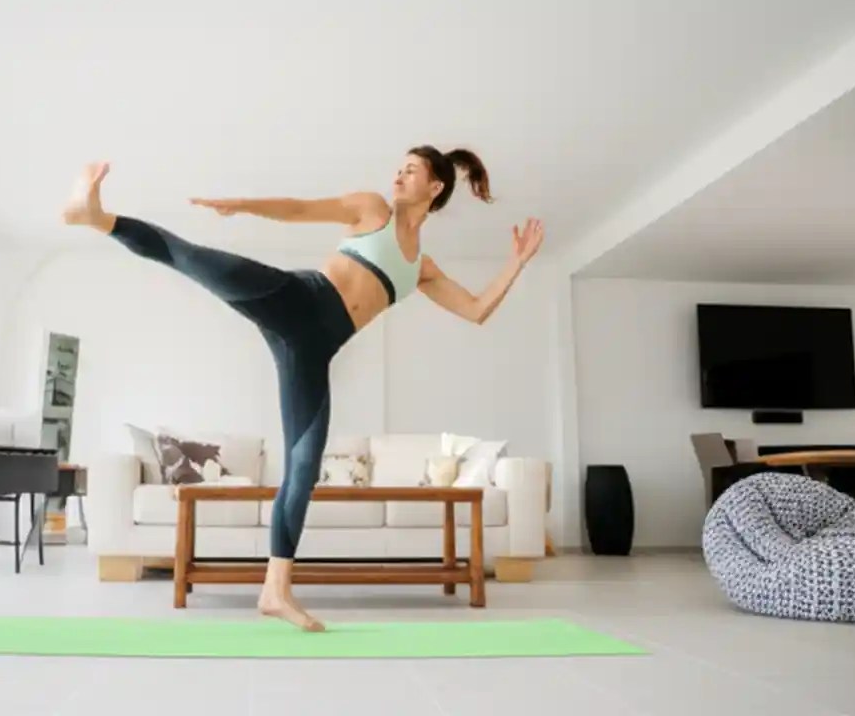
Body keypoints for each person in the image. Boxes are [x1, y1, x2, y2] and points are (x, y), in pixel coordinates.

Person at [62, 146, 544, 631]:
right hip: (294, 300)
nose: (398, 174)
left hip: (312, 353)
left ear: (435, 187)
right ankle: (98, 216)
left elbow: (477, 310)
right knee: (190, 257)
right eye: (398, 167)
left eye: (411, 170)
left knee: (304, 470)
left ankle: (276, 590)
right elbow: (300, 209)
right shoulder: (370, 208)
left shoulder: (422, 267)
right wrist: (245, 206)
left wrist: (517, 263)